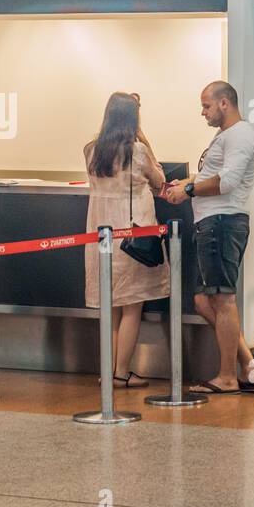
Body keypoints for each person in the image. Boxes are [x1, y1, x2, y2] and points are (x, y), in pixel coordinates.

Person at [166, 81, 254, 394]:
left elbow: (228, 181)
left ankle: (226, 377)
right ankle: (248, 363)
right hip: (210, 222)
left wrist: (190, 190)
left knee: (223, 300)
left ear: (225, 103)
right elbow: (215, 176)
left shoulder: (240, 135)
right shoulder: (225, 136)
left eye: (207, 105)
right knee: (202, 300)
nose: (203, 112)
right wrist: (187, 182)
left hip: (222, 223)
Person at [83, 91, 170, 388]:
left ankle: (109, 372)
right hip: (133, 236)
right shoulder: (138, 151)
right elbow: (159, 180)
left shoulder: (91, 150)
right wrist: (143, 138)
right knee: (132, 306)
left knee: (112, 306)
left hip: (100, 234)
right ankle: (122, 372)